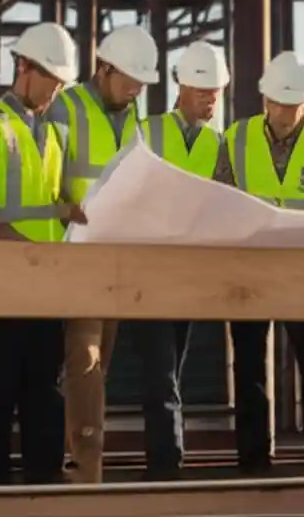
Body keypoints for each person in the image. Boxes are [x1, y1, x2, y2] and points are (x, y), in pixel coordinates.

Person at [0, 22, 84, 485]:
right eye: (52, 80)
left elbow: (43, 204)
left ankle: (44, 474)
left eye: (61, 83)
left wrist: (68, 214)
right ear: (25, 68)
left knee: (43, 386)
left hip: (46, 284)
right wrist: (25, 254)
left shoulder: (54, 137)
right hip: (2, 279)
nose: (56, 91)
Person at [212, 51, 304, 475]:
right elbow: (221, 198)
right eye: (278, 103)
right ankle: (253, 457)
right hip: (251, 268)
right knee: (250, 365)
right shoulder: (236, 137)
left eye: (293, 104)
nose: (285, 112)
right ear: (264, 100)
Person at [47, 23, 159, 483]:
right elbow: (44, 179)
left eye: (141, 84)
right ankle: (88, 469)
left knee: (96, 366)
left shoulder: (131, 117)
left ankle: (66, 458)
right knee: (85, 360)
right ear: (104, 68)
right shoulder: (66, 106)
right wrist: (64, 210)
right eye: (129, 80)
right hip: (73, 254)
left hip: (114, 256)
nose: (135, 90)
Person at [133, 40, 229, 480]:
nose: (211, 97)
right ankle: (165, 463)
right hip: (151, 271)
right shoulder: (146, 132)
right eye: (203, 89)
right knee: (160, 374)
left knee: (173, 371)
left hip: (192, 274)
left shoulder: (219, 144)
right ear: (181, 86)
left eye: (216, 90)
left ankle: (168, 459)